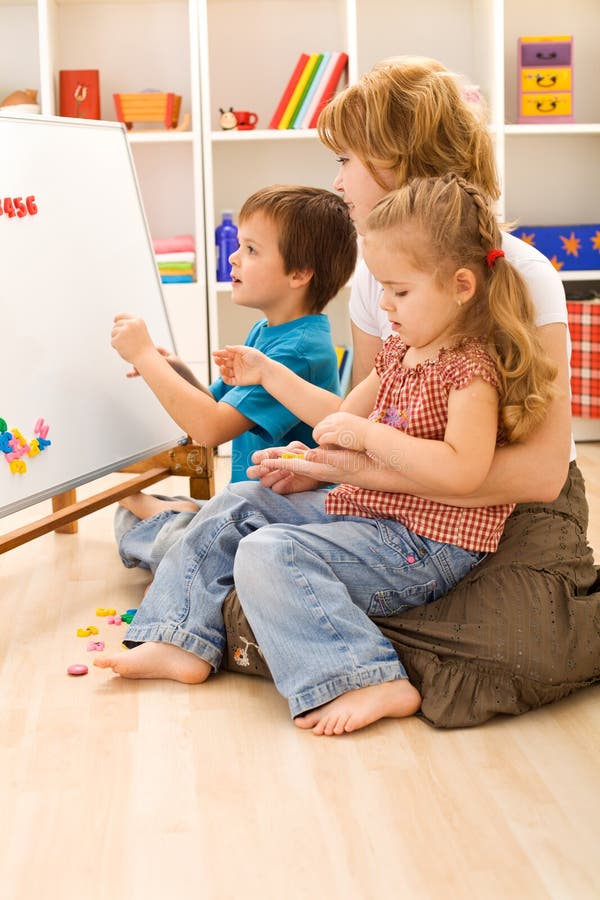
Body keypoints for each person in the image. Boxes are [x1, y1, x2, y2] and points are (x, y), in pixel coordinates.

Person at [95, 173, 558, 737]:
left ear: (462, 286)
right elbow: (341, 418)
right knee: (240, 500)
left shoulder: (471, 369)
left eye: (400, 291)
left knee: (269, 554)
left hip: (427, 545)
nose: (384, 304)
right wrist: (308, 459)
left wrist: (365, 441)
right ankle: (178, 637)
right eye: (382, 288)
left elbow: (463, 470)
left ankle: (364, 676)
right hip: (372, 514)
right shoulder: (401, 348)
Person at [215, 56, 600, 729]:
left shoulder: (521, 273)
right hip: (398, 501)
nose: (335, 182)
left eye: (347, 160)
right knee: (255, 536)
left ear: (399, 161)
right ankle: (322, 632)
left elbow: (538, 473)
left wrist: (362, 466)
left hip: (508, 504)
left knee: (525, 652)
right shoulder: (378, 281)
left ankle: (320, 642)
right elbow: (372, 409)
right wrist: (321, 468)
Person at [110, 185, 357, 573]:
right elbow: (214, 406)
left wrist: (143, 354)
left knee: (171, 548)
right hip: (243, 505)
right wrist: (175, 370)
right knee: (141, 527)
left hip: (281, 519)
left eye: (251, 250)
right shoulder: (266, 332)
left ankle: (177, 519)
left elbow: (208, 429)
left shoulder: (299, 351)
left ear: (299, 274)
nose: (234, 257)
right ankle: (180, 517)